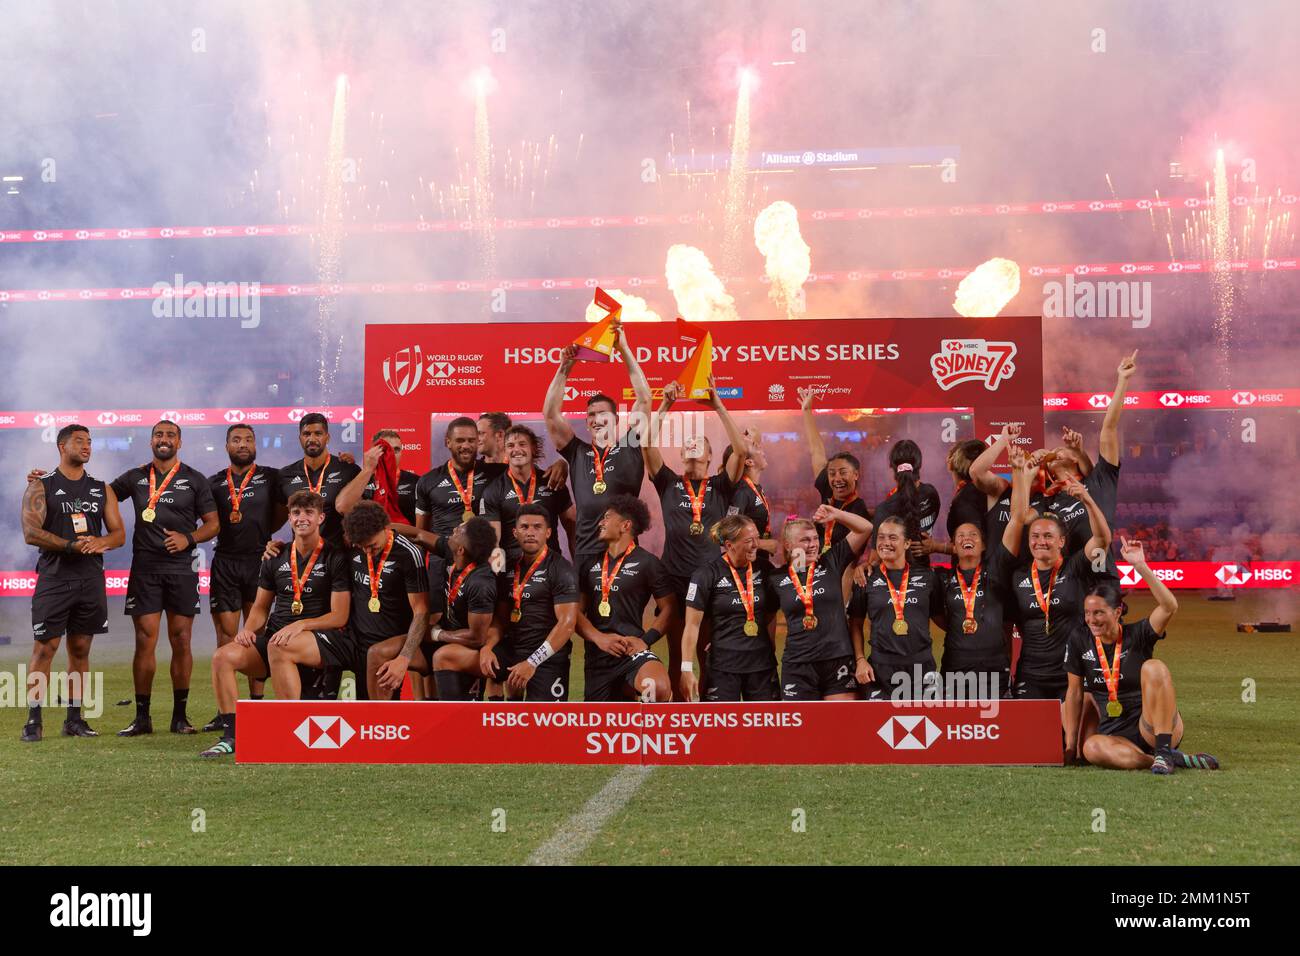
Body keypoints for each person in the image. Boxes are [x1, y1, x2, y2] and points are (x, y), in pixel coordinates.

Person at [200, 490, 350, 757]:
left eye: (308, 513)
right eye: (296, 513)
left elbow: (339, 616)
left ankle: (288, 732)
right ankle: (232, 736)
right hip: (278, 638)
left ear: (321, 518)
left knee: (280, 646)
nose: (301, 518)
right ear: (289, 519)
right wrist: (247, 630)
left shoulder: (335, 556)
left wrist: (301, 625)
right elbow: (259, 607)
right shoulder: (275, 556)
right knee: (223, 657)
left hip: (322, 638)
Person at [1065, 538, 1220, 774]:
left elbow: (1169, 607)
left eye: (1099, 612)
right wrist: (1070, 746)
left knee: (1154, 667)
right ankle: (1167, 760)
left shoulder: (1138, 634)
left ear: (1117, 612)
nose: (1091, 619)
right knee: (1092, 748)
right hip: (1115, 733)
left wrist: (1141, 566)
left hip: (1152, 725)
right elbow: (1075, 693)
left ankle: (1163, 749)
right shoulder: (1079, 639)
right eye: (1087, 613)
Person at [637, 376, 747, 698]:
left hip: (711, 581)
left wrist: (717, 405)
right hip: (674, 580)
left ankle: (709, 714)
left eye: (699, 446)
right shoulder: (668, 482)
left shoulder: (720, 486)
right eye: (687, 446)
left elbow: (739, 449)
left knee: (708, 652)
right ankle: (674, 716)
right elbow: (646, 443)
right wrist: (666, 404)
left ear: (711, 457)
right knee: (675, 655)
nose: (691, 448)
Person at [110, 420, 219, 736]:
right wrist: (50, 481)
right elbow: (102, 495)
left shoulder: (194, 479)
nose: (164, 439)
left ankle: (180, 717)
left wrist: (189, 538)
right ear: (150, 441)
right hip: (145, 569)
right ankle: (142, 719)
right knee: (144, 640)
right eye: (159, 434)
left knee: (181, 640)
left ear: (179, 442)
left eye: (171, 435)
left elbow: (213, 524)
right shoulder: (135, 477)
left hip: (182, 570)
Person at [21, 425, 125, 741]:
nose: (87, 446)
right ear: (61, 446)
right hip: (54, 579)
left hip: (90, 580)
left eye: (89, 442)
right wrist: (70, 545)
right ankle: (33, 719)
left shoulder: (101, 488)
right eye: (79, 441)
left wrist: (100, 541)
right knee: (45, 649)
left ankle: (74, 719)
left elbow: (119, 534)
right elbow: (31, 532)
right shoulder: (41, 485)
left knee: (80, 650)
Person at [1004, 464, 1115, 703]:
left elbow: (1103, 539)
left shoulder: (1075, 567)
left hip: (1072, 674)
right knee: (1031, 737)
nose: (1040, 541)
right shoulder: (1018, 577)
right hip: (1031, 674)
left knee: (1073, 738)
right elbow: (1018, 517)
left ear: (1062, 541)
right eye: (1035, 536)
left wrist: (1088, 500)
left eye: (1048, 536)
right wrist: (1022, 475)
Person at [544, 326, 650, 572]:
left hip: (625, 549)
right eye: (591, 415)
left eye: (602, 413)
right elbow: (550, 414)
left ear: (615, 419)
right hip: (586, 551)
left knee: (626, 611)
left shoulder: (631, 444)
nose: (596, 419)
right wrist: (565, 367)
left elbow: (644, 399)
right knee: (584, 610)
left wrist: (623, 348)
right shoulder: (576, 452)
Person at [202, 423, 281, 731]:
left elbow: (283, 510)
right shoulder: (213, 483)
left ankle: (255, 707)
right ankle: (227, 711)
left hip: (260, 561)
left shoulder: (271, 477)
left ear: (255, 445)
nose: (243, 444)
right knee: (226, 638)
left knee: (256, 636)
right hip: (226, 562)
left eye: (248, 439)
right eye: (236, 440)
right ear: (226, 446)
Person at [575, 494, 676, 702]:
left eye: (607, 517)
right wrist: (599, 638)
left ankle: (650, 732)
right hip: (598, 657)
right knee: (601, 727)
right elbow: (574, 613)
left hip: (632, 653)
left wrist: (645, 641)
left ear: (625, 525)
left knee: (656, 688)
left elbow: (669, 608)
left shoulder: (649, 563)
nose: (600, 522)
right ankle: (626, 694)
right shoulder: (589, 564)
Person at [769, 505, 872, 701]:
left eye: (815, 538)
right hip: (798, 665)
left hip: (837, 661)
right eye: (805, 540)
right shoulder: (775, 578)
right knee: (803, 730)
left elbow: (865, 528)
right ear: (789, 545)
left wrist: (837, 515)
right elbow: (764, 617)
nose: (813, 544)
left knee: (840, 727)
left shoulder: (831, 560)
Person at [484, 503, 580, 700]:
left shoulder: (561, 569)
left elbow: (567, 625)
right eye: (524, 527)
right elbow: (500, 619)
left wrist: (532, 662)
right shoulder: (508, 568)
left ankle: (514, 699)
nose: (530, 532)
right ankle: (497, 717)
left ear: (548, 533)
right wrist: (488, 646)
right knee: (462, 660)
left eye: (537, 527)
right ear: (515, 533)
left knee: (546, 725)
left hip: (547, 657)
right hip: (512, 650)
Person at [681, 516, 779, 702]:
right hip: (722, 667)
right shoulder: (706, 574)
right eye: (749, 541)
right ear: (729, 545)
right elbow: (692, 625)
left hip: (762, 665)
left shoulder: (765, 569)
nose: (756, 545)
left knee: (766, 727)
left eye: (757, 538)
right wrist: (686, 668)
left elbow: (771, 612)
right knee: (719, 728)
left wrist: (770, 643)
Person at [848, 516, 945, 700]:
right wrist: (860, 660)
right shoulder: (865, 578)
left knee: (925, 726)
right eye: (881, 538)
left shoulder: (928, 578)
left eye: (893, 538)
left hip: (922, 669)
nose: (885, 543)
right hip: (880, 670)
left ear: (907, 543)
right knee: (880, 727)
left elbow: (940, 617)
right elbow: (855, 624)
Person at [426, 517, 504, 700]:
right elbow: (419, 535)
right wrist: (385, 529)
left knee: (443, 655)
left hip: (485, 646)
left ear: (461, 549)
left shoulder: (480, 583)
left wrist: (438, 635)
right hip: (459, 637)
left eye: (458, 531)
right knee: (382, 652)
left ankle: (454, 721)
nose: (454, 529)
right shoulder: (455, 554)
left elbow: (477, 638)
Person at [480, 425, 573, 571]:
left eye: (522, 444)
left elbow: (572, 527)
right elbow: (494, 542)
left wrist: (578, 571)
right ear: (505, 451)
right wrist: (497, 580)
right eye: (510, 445)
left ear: (533, 449)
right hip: (513, 572)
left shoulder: (553, 481)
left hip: (551, 569)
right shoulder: (494, 490)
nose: (516, 450)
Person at [800, 388, 872, 553]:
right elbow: (816, 450)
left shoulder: (859, 509)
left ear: (856, 475)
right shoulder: (828, 489)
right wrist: (807, 411)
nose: (836, 478)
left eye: (843, 472)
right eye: (832, 473)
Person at [276, 412, 362, 549]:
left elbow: (362, 513)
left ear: (327, 438)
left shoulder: (348, 470)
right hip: (301, 557)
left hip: (337, 557)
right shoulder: (285, 475)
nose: (312, 438)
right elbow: (277, 520)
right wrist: (275, 544)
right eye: (306, 434)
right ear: (300, 439)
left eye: (318, 433)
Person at [869, 439, 941, 567]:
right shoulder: (931, 494)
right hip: (925, 577)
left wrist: (865, 565)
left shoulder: (884, 509)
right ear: (919, 465)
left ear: (893, 468)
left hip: (894, 581)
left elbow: (875, 560)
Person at [334, 429, 420, 524]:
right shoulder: (363, 479)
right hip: (368, 537)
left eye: (396, 450)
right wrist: (368, 469)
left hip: (405, 537)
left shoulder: (417, 482)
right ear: (374, 452)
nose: (391, 455)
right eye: (386, 450)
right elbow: (342, 507)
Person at [723, 427, 778, 556]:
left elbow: (754, 430)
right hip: (746, 564)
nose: (762, 450)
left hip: (757, 561)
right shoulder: (742, 492)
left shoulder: (755, 487)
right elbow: (726, 532)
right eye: (756, 447)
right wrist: (763, 544)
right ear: (749, 461)